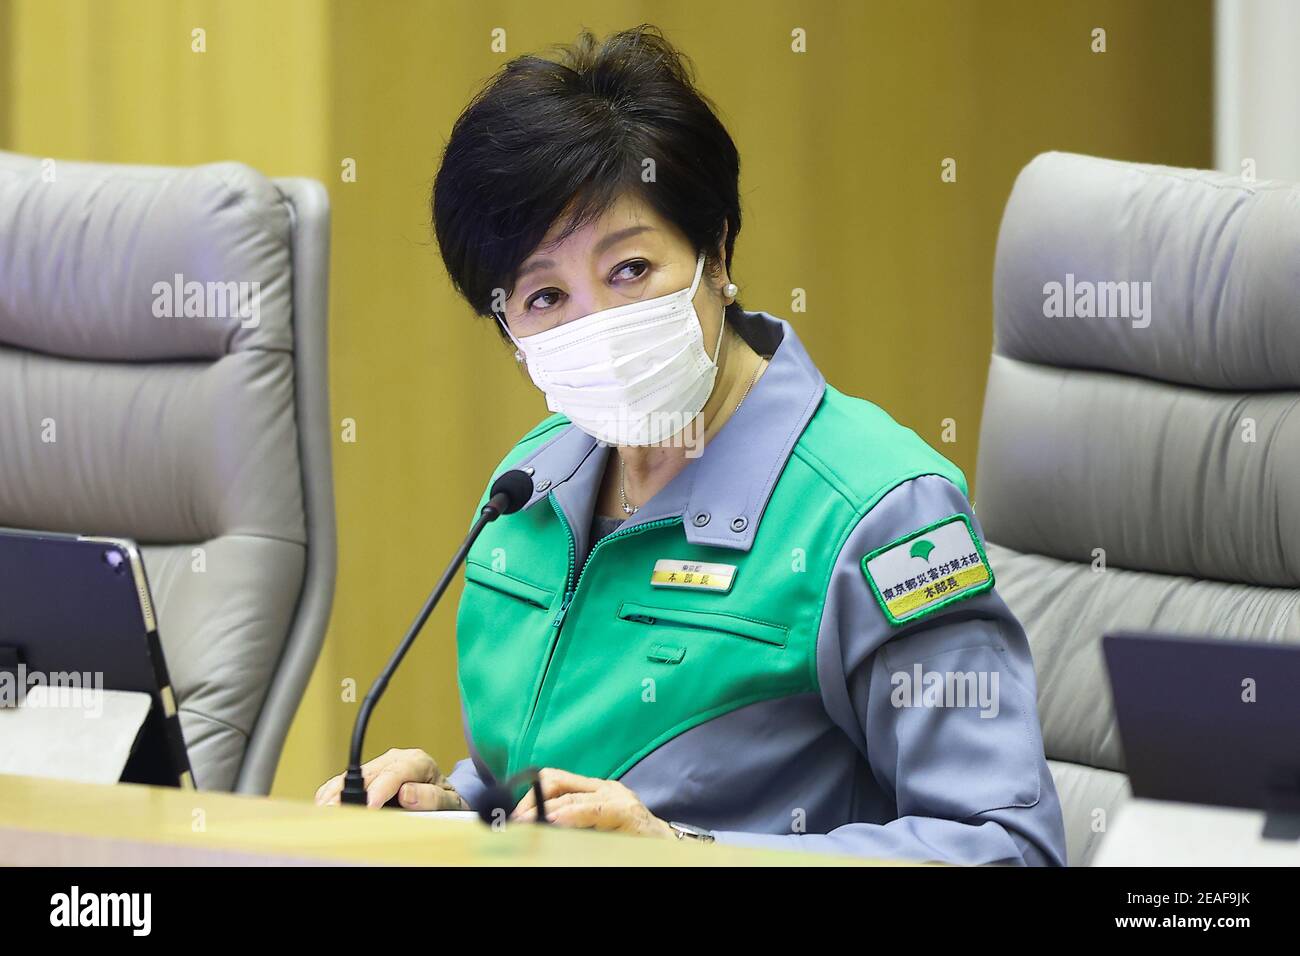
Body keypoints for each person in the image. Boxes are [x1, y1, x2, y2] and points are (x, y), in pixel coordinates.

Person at [316, 23, 1067, 866]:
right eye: (545, 295)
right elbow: (538, 802)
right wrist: (446, 810)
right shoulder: (525, 490)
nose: (595, 323)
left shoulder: (885, 513)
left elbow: (1007, 847)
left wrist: (681, 851)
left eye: (630, 269)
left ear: (716, 253)